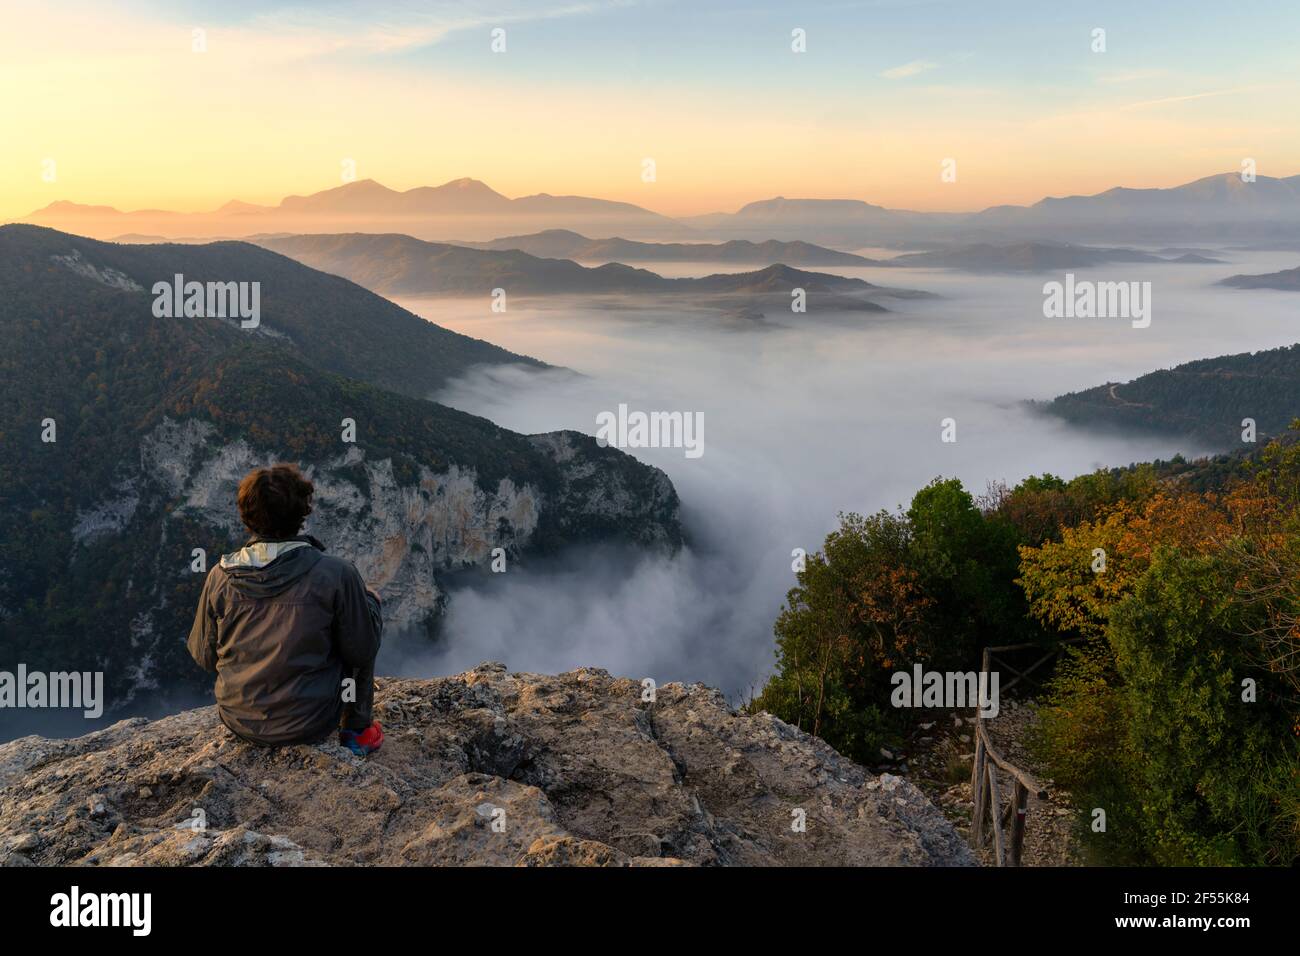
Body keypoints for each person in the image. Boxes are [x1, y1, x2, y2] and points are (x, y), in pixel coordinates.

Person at [187, 463, 384, 755]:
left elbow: (203, 656)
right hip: (311, 723)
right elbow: (361, 651)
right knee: (367, 609)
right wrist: (367, 602)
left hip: (239, 721)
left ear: (246, 516)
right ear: (302, 514)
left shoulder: (220, 575)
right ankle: (357, 731)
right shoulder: (337, 574)